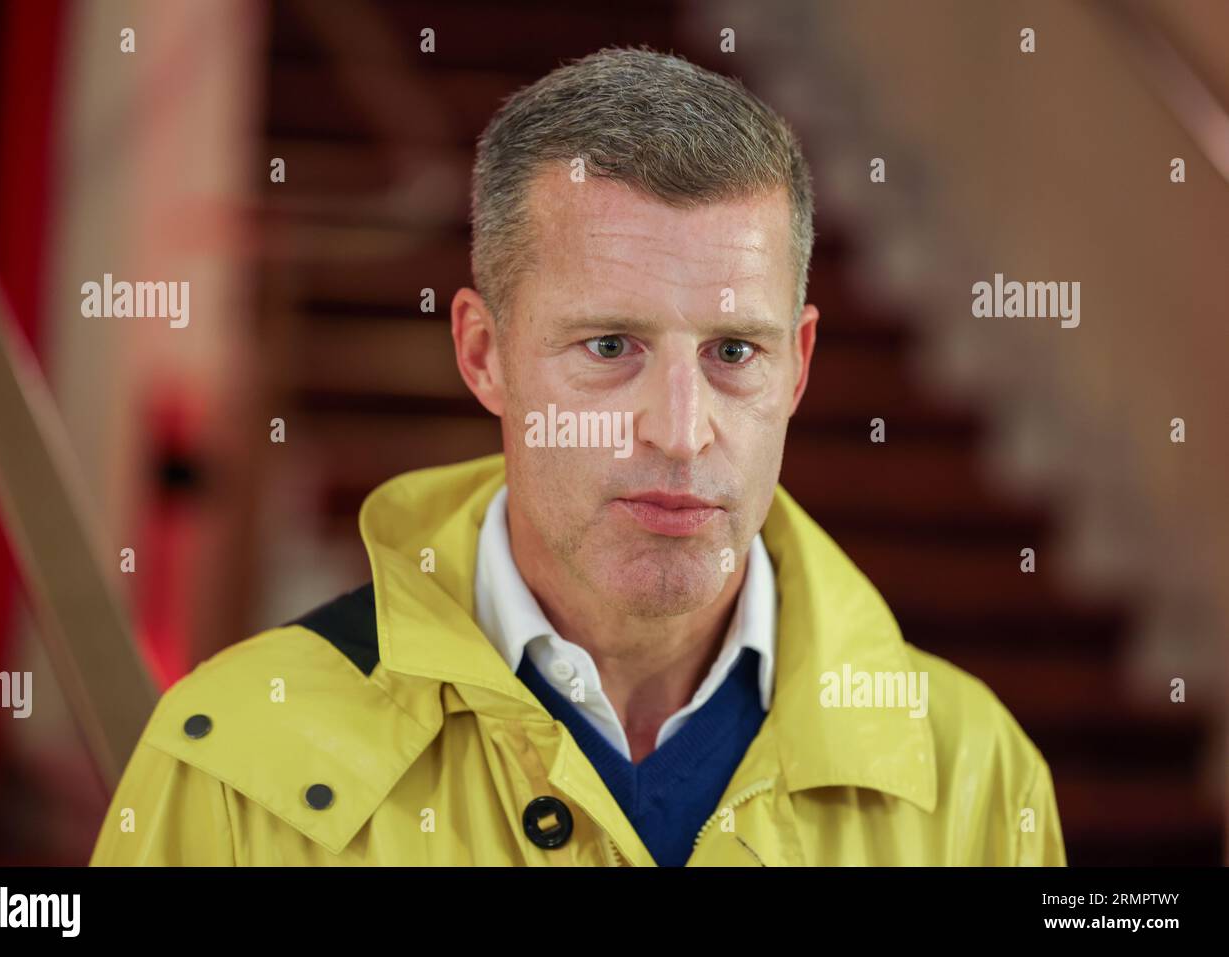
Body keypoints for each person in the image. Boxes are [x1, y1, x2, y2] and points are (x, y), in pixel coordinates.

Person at [91, 46, 1065, 866]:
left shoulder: (975, 772)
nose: (680, 432)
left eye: (734, 353)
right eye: (609, 348)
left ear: (798, 366)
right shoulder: (229, 759)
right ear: (483, 354)